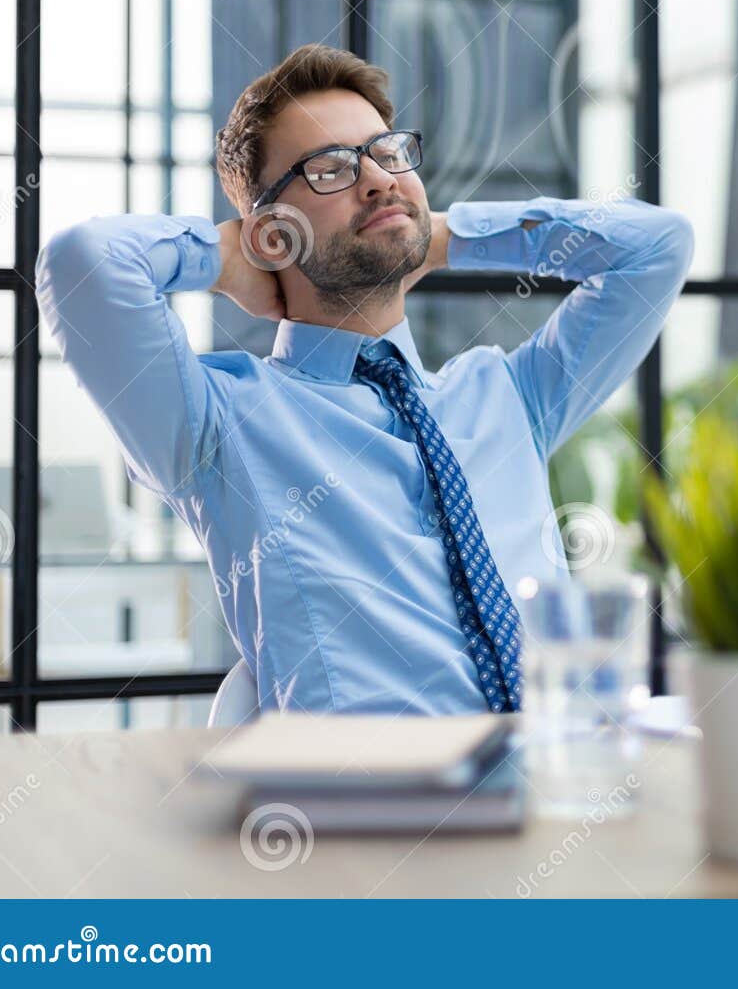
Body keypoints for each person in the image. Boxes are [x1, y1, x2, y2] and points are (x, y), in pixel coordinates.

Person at [37, 43, 692, 715]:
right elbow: (83, 262)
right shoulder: (217, 422)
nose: (378, 179)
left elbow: (658, 245)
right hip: (370, 778)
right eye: (330, 169)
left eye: (388, 154)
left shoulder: (509, 396)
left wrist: (441, 236)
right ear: (272, 231)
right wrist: (229, 258)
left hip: (562, 761)